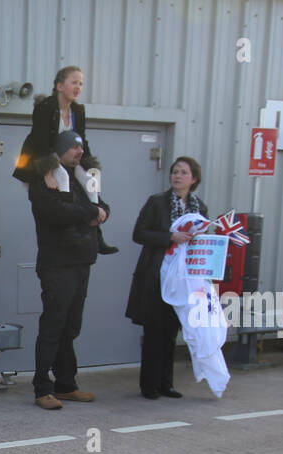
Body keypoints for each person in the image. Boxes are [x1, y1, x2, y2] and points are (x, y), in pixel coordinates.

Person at [28, 130, 110, 410]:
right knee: (53, 325)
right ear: (60, 150)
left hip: (82, 261)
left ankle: (66, 384)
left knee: (71, 327)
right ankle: (42, 387)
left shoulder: (83, 178)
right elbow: (56, 212)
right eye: (74, 147)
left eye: (81, 147)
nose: (80, 152)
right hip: (57, 264)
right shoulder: (45, 180)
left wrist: (97, 212)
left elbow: (101, 206)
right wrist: (90, 213)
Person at [13, 65, 118, 255]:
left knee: (89, 181)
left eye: (81, 84)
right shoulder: (46, 107)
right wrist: (46, 172)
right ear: (60, 86)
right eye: (74, 83)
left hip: (66, 152)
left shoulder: (78, 110)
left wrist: (88, 165)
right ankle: (69, 230)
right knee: (62, 177)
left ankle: (97, 233)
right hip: (43, 154)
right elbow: (40, 141)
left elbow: (82, 138)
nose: (78, 87)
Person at [126, 157, 208, 399]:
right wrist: (170, 237)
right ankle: (148, 385)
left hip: (183, 278)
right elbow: (139, 233)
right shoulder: (157, 202)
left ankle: (166, 383)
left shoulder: (199, 206)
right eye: (174, 172)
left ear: (194, 179)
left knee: (171, 331)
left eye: (183, 172)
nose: (177, 176)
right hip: (157, 274)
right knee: (153, 330)